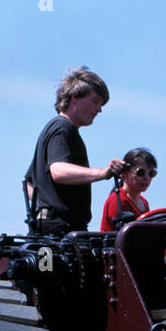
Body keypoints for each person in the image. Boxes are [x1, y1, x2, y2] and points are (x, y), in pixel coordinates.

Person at [25, 67, 126, 233]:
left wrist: (43, 206)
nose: (99, 109)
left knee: (47, 260)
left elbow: (27, 182)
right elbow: (58, 170)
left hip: (51, 231)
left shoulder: (56, 128)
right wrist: (102, 173)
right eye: (95, 101)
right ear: (75, 98)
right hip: (59, 233)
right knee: (51, 261)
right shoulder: (63, 128)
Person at [100, 147, 158, 231]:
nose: (146, 177)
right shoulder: (117, 201)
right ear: (124, 172)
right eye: (140, 172)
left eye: (151, 173)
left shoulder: (144, 202)